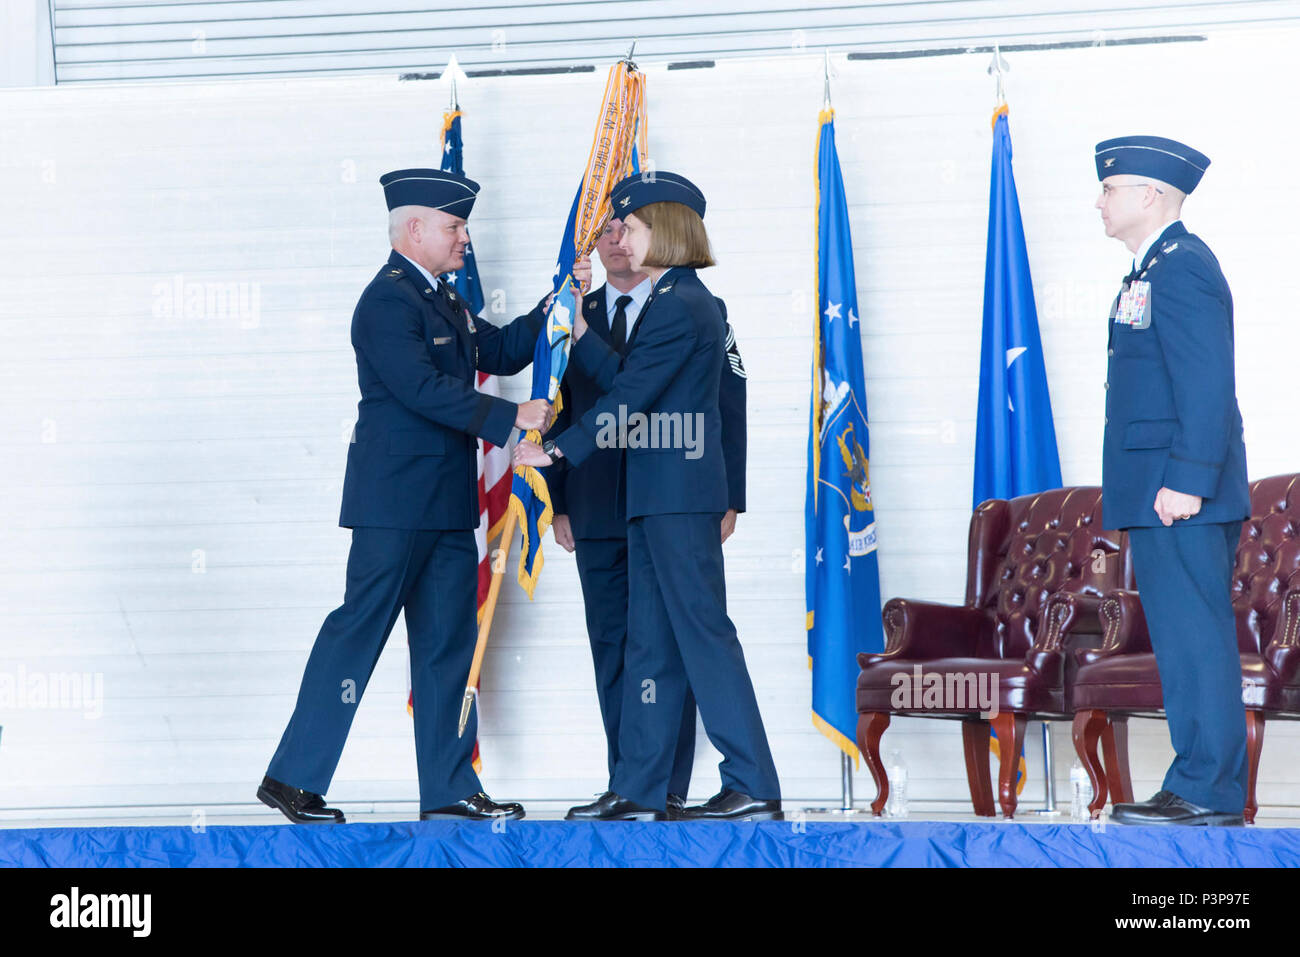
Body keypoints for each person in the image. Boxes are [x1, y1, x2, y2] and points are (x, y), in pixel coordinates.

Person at [257, 167, 577, 823]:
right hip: (394, 505)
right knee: (358, 634)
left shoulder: (444, 299)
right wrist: (511, 417)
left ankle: (450, 787)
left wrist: (558, 302)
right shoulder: (385, 302)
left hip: (444, 505)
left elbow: (501, 348)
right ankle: (293, 778)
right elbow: (420, 389)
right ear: (414, 228)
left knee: (448, 646)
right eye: (455, 226)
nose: (465, 239)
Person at [514, 172, 781, 821]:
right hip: (657, 495)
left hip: (676, 497)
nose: (621, 239)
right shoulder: (682, 302)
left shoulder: (681, 304)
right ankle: (639, 786)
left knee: (702, 635)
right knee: (652, 646)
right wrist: (579, 331)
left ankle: (752, 781)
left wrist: (556, 450)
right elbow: (631, 381)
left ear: (663, 230)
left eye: (630, 227)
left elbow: (627, 402)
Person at [1093, 136, 1250, 826]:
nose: (1099, 200)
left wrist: (1187, 477)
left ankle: (1209, 790)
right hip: (1160, 491)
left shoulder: (1182, 267)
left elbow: (1207, 381)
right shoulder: (1149, 268)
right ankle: (1194, 780)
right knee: (1183, 644)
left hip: (1182, 492)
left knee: (1198, 639)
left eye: (1110, 188)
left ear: (1149, 194)